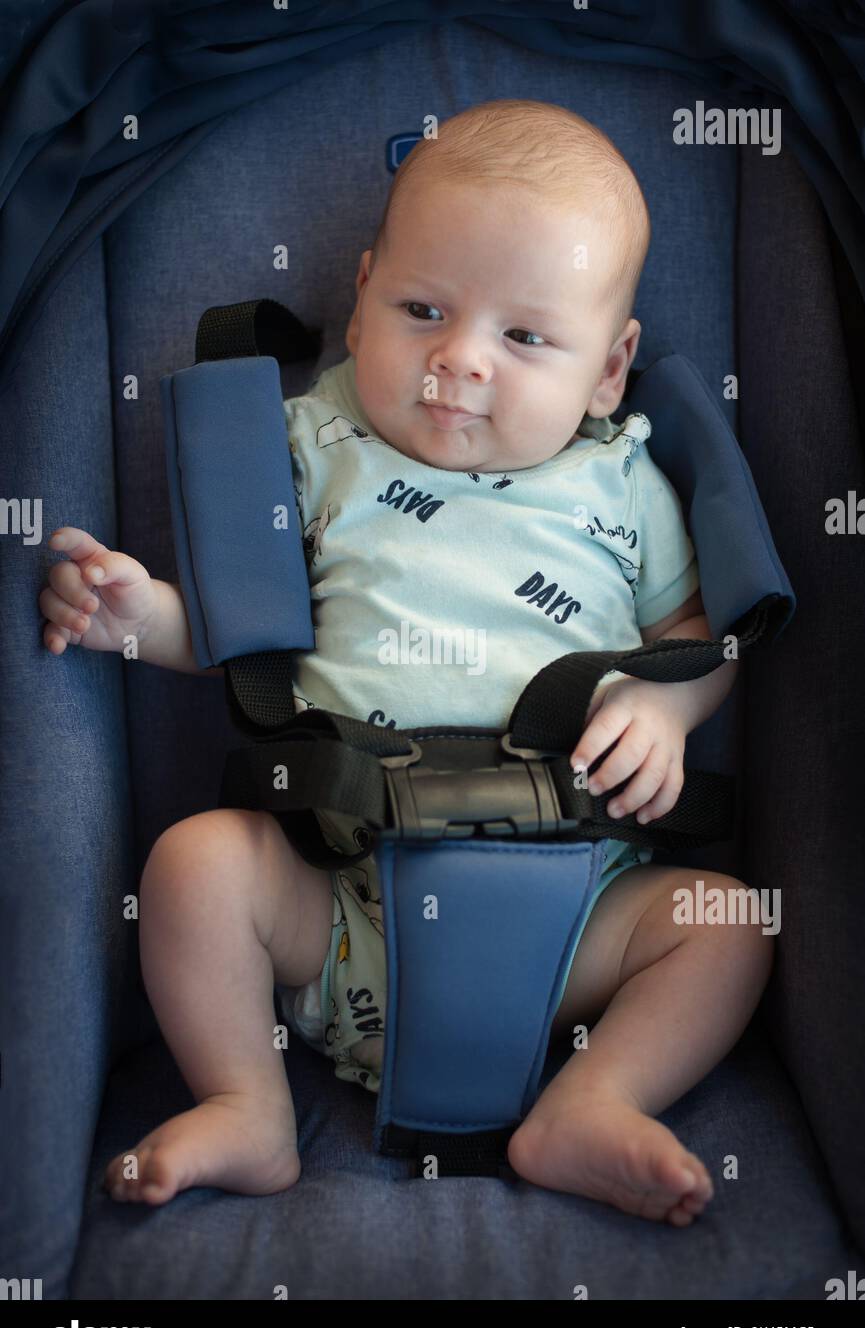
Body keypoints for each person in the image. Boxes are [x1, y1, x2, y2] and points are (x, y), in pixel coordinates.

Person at [39, 99, 772, 1225]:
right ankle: (247, 1102)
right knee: (193, 866)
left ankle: (594, 1096)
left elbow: (695, 638)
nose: (458, 360)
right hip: (338, 907)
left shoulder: (619, 484)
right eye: (421, 309)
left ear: (610, 368)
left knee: (728, 924)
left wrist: (667, 712)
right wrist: (133, 615)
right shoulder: (320, 444)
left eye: (524, 338)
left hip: (582, 916)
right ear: (362, 292)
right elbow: (245, 637)